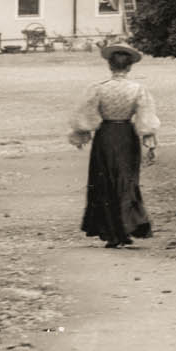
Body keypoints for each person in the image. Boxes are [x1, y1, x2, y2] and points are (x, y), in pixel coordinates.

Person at [70, 42, 158, 249]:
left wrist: (81, 135)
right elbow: (145, 118)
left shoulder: (99, 88)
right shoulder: (138, 89)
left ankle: (112, 232)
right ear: (129, 67)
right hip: (126, 136)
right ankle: (125, 228)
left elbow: (86, 115)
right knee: (126, 181)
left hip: (106, 137)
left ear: (110, 66)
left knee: (104, 182)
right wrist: (149, 141)